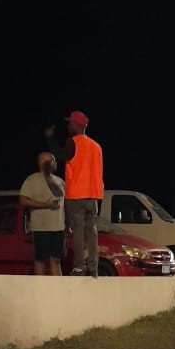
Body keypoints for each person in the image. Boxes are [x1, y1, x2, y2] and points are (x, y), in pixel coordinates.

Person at [60, 110, 104, 277]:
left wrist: (49, 138)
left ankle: (79, 266)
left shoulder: (73, 142)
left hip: (77, 194)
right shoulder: (96, 146)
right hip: (93, 195)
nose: (68, 126)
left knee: (78, 231)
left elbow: (59, 154)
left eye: (70, 123)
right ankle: (94, 267)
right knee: (92, 232)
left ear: (76, 125)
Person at [20, 151, 65, 275]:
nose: (55, 163)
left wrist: (68, 224)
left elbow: (65, 204)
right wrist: (45, 205)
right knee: (40, 260)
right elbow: (23, 200)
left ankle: (57, 288)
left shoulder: (60, 181)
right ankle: (41, 287)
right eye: (52, 160)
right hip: (41, 228)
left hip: (58, 228)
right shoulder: (32, 180)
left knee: (55, 260)